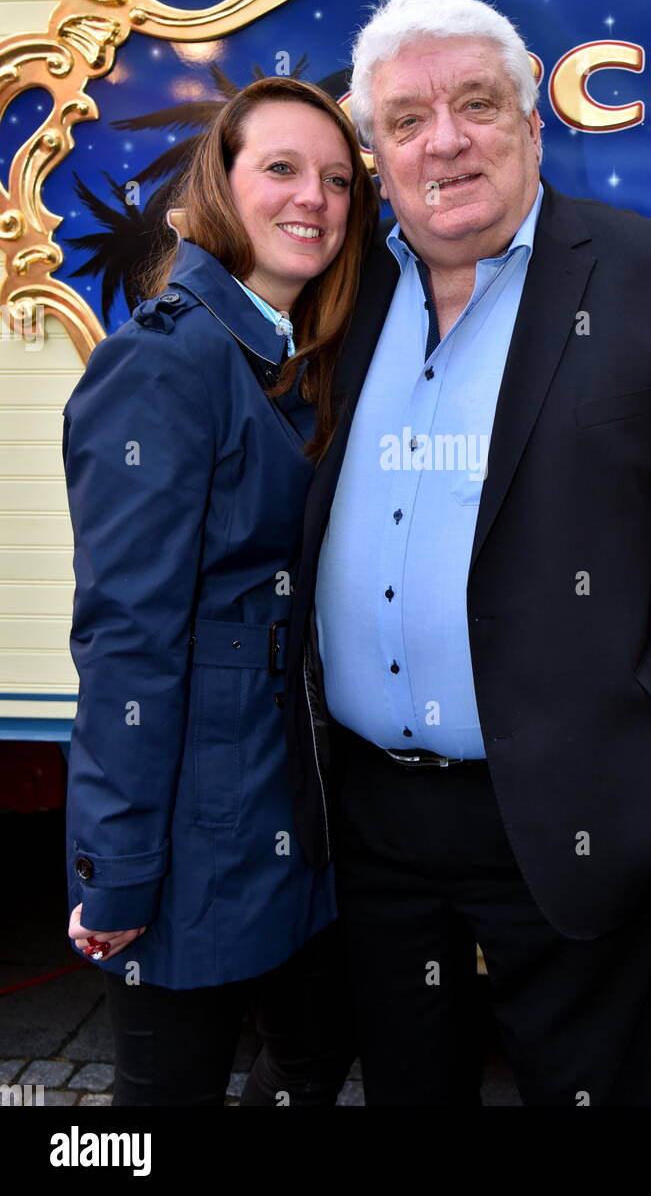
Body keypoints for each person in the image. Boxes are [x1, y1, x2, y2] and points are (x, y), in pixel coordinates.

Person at [284, 0, 651, 1106]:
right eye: (407, 120)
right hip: (372, 821)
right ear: (377, 153)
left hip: (576, 801)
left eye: (475, 104)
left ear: (532, 124)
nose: (445, 140)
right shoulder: (340, 290)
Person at [62, 76, 378, 1106]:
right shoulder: (165, 362)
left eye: (337, 179)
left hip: (290, 812)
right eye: (281, 168)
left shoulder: (280, 358)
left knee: (317, 1050)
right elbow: (126, 640)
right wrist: (116, 867)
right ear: (220, 184)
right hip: (192, 828)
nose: (314, 198)